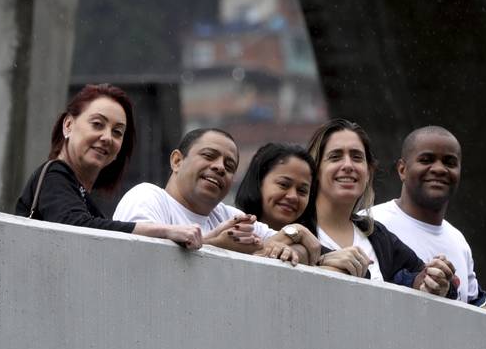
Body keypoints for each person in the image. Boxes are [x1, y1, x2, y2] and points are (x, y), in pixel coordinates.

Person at [15, 83, 203, 248]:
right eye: (97, 124)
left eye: (117, 132)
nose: (107, 138)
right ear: (68, 125)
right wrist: (165, 230)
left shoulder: (81, 197)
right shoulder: (55, 174)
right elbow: (74, 226)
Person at [372, 125, 486, 318]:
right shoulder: (371, 223)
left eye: (449, 162)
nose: (439, 169)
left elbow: (470, 311)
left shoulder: (458, 241)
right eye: (426, 160)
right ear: (402, 169)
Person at [298, 118, 456, 296]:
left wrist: (434, 279)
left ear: (368, 173)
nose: (348, 165)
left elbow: (419, 279)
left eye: (357, 157)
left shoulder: (377, 235)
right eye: (335, 157)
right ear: (315, 170)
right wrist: (321, 263)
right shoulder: (293, 227)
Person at [113, 128, 314, 264]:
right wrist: (221, 247)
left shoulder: (228, 216)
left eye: (229, 166)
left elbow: (294, 248)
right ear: (177, 161)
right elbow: (148, 262)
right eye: (209, 156)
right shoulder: (147, 197)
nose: (219, 167)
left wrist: (296, 232)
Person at [234, 141, 374, 277]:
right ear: (259, 183)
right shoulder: (232, 229)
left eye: (302, 191)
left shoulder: (313, 245)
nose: (293, 196)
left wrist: (317, 262)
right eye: (283, 184)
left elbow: (359, 271)